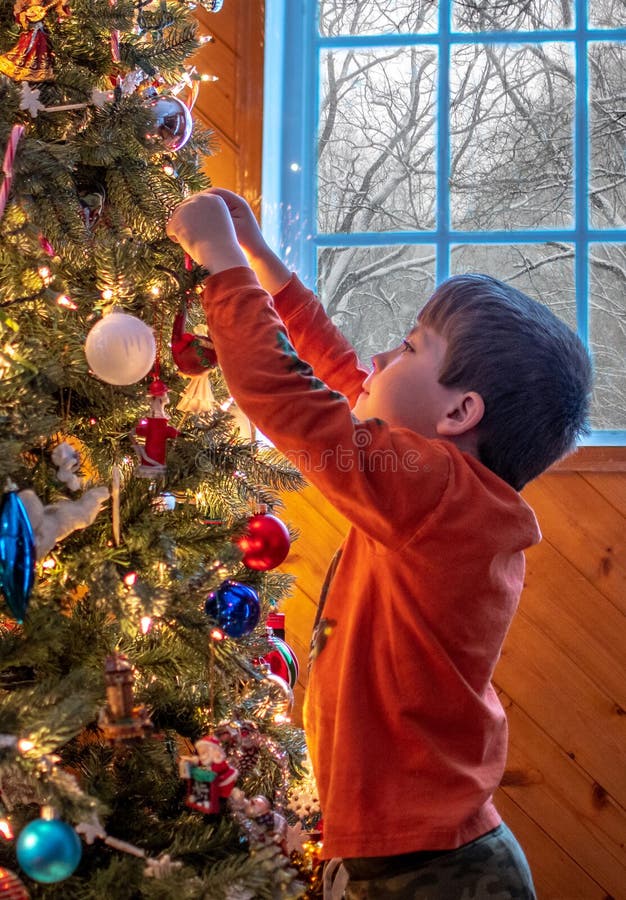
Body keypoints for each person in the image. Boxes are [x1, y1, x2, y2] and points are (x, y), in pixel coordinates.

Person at [167, 189, 592, 900]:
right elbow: (345, 381)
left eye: (410, 346)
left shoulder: (437, 494)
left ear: (460, 412)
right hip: (407, 851)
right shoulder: (441, 487)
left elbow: (295, 403)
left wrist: (221, 265)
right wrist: (269, 267)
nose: (381, 354)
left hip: (431, 871)